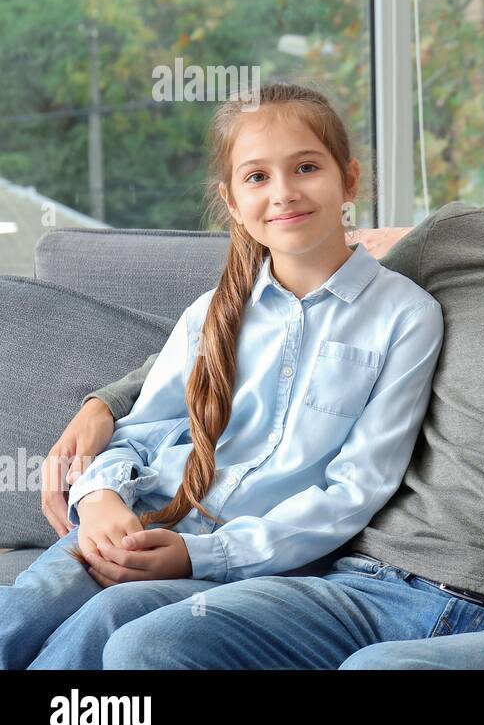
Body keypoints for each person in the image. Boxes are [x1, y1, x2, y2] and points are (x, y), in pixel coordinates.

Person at [41, 0, 484, 669]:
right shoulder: (455, 244)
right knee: (144, 640)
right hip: (365, 585)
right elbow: (298, 314)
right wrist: (110, 401)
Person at [3, 83, 441, 669]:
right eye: (257, 177)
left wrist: (198, 556)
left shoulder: (406, 318)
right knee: (26, 610)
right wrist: (101, 495)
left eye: (305, 167)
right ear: (232, 201)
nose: (284, 192)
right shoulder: (212, 312)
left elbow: (353, 493)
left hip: (240, 562)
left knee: (96, 631)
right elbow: (139, 432)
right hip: (141, 517)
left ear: (350, 180)